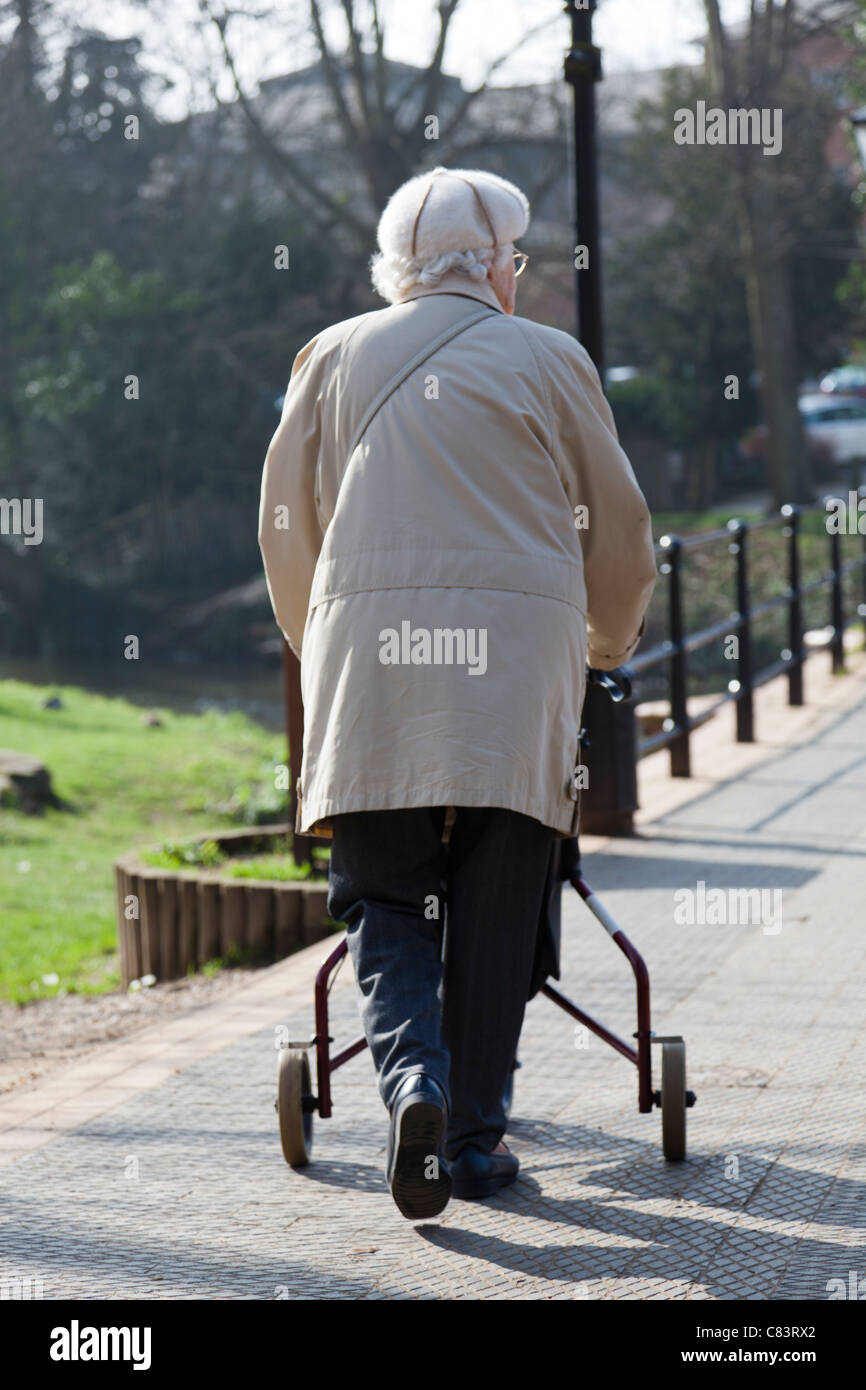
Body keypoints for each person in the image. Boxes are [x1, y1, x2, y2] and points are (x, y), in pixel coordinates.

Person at [258, 166, 656, 1221]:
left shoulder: (331, 357)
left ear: (397, 269)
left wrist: (316, 640)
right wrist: (605, 641)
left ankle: (411, 1086)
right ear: (489, 266)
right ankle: (470, 1145)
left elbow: (287, 526)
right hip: (514, 670)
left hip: (373, 664)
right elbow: (614, 526)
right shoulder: (550, 360)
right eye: (512, 260)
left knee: (384, 895)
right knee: (496, 897)